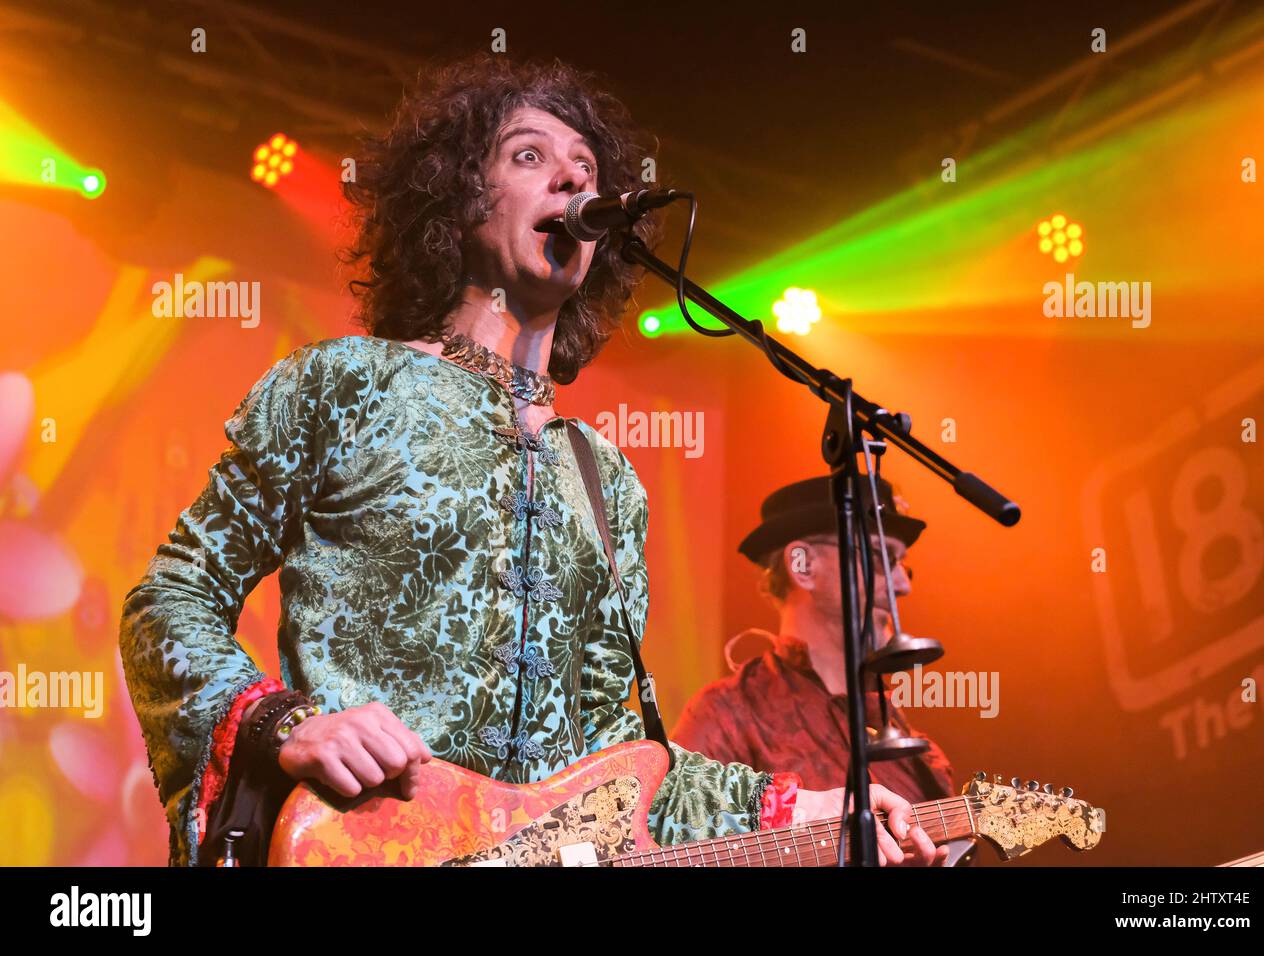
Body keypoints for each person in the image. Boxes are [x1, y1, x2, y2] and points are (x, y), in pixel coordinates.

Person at [118, 54, 941, 867]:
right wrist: (288, 724)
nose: (573, 180)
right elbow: (171, 595)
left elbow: (619, 764)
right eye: (529, 155)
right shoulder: (343, 383)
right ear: (456, 201)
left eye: (586, 168)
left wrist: (817, 808)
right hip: (356, 846)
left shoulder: (607, 479)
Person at [675, 476, 970, 865]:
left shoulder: (912, 746)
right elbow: (669, 842)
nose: (902, 585)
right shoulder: (726, 714)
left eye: (902, 565)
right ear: (803, 565)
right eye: (881, 558)